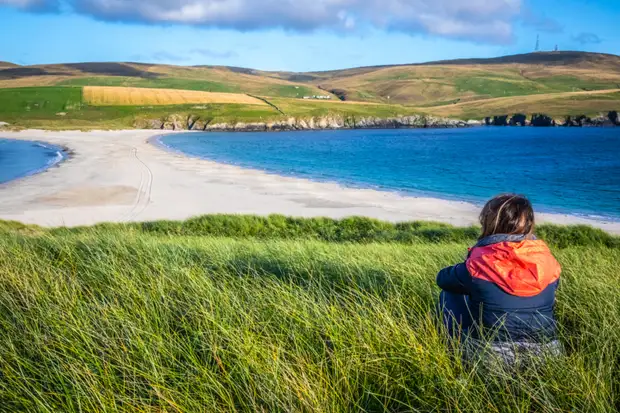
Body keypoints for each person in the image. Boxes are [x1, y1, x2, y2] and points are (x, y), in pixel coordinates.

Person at [437, 194, 563, 366]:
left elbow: (442, 279)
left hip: (492, 356)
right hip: (547, 354)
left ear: (488, 222)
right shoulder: (549, 263)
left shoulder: (478, 265)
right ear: (529, 224)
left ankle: (450, 351)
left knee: (450, 293)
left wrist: (470, 261)